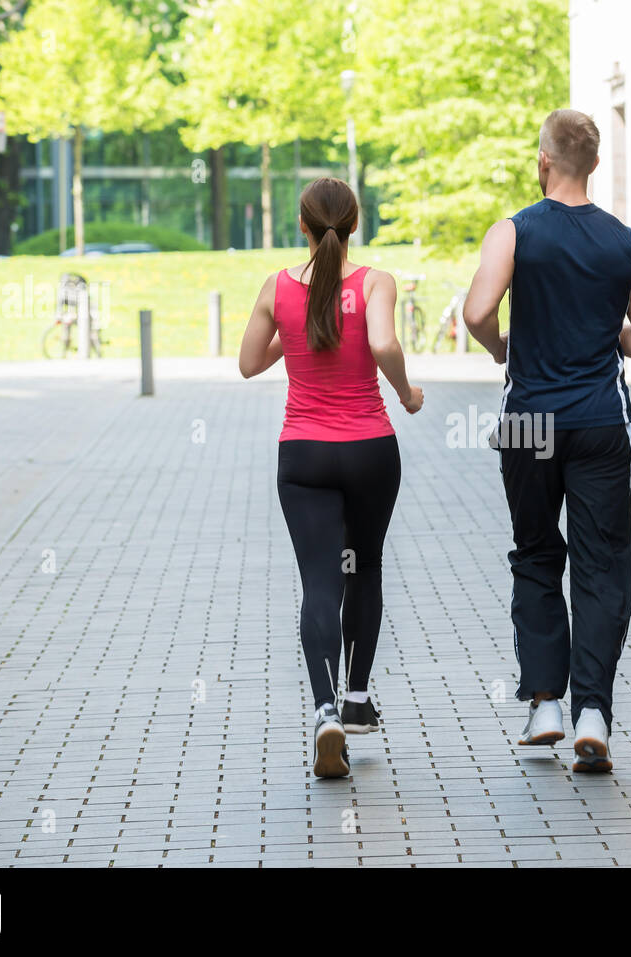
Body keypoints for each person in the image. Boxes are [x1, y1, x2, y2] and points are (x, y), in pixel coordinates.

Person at [462, 109, 631, 772]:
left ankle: (546, 703)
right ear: (597, 164)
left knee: (536, 553)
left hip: (529, 423)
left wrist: (504, 348)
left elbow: (476, 312)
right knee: (602, 563)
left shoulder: (514, 232)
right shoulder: (630, 244)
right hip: (599, 424)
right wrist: (611, 332)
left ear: (543, 161)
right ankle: (594, 715)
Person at [239, 177, 424, 779]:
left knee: (320, 580)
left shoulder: (276, 287)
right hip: (370, 449)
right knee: (363, 564)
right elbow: (383, 342)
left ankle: (325, 712)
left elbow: (247, 364)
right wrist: (407, 392)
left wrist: (292, 339)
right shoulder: (374, 281)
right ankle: (360, 697)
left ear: (301, 225)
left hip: (304, 455)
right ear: (354, 224)